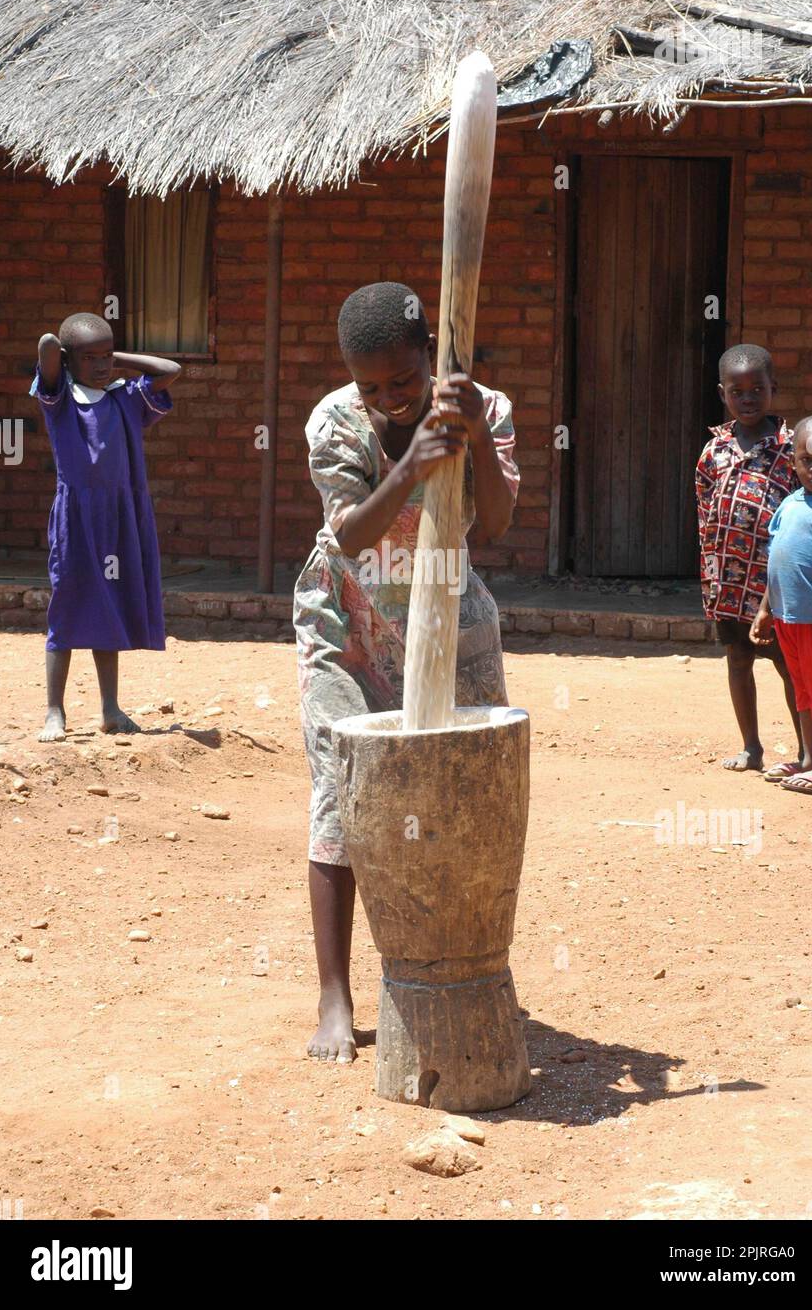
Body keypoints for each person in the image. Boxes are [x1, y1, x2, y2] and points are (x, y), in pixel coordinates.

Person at [294, 281, 520, 1062]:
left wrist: (476, 438)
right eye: (371, 385)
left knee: (463, 789)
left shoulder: (484, 406)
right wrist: (413, 458)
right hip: (347, 620)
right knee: (339, 794)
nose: (388, 397)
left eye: (404, 381)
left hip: (447, 612)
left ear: (432, 357)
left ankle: (461, 972)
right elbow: (351, 537)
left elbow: (492, 522)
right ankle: (334, 993)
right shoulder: (335, 422)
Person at [32, 312, 180, 741]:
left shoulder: (125, 398)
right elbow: (45, 346)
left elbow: (171, 371)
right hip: (76, 519)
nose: (101, 366)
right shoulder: (59, 400)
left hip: (118, 518)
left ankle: (111, 709)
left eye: (106, 356)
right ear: (68, 360)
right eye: (90, 358)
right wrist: (59, 356)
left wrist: (118, 360)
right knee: (66, 605)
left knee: (109, 606)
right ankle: (54, 711)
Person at [695, 343, 800, 776]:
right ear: (723, 394)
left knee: (788, 665)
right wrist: (710, 572)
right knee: (737, 659)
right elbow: (704, 512)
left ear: (774, 389)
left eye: (758, 388)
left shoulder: (792, 450)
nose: (749, 398)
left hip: (776, 585)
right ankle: (751, 747)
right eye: (738, 392)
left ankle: (809, 752)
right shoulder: (713, 451)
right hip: (728, 583)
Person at [750, 415, 812, 796]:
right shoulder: (789, 504)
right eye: (808, 459)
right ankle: (808, 760)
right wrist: (764, 609)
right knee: (803, 691)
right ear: (793, 462)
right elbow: (776, 562)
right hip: (789, 619)